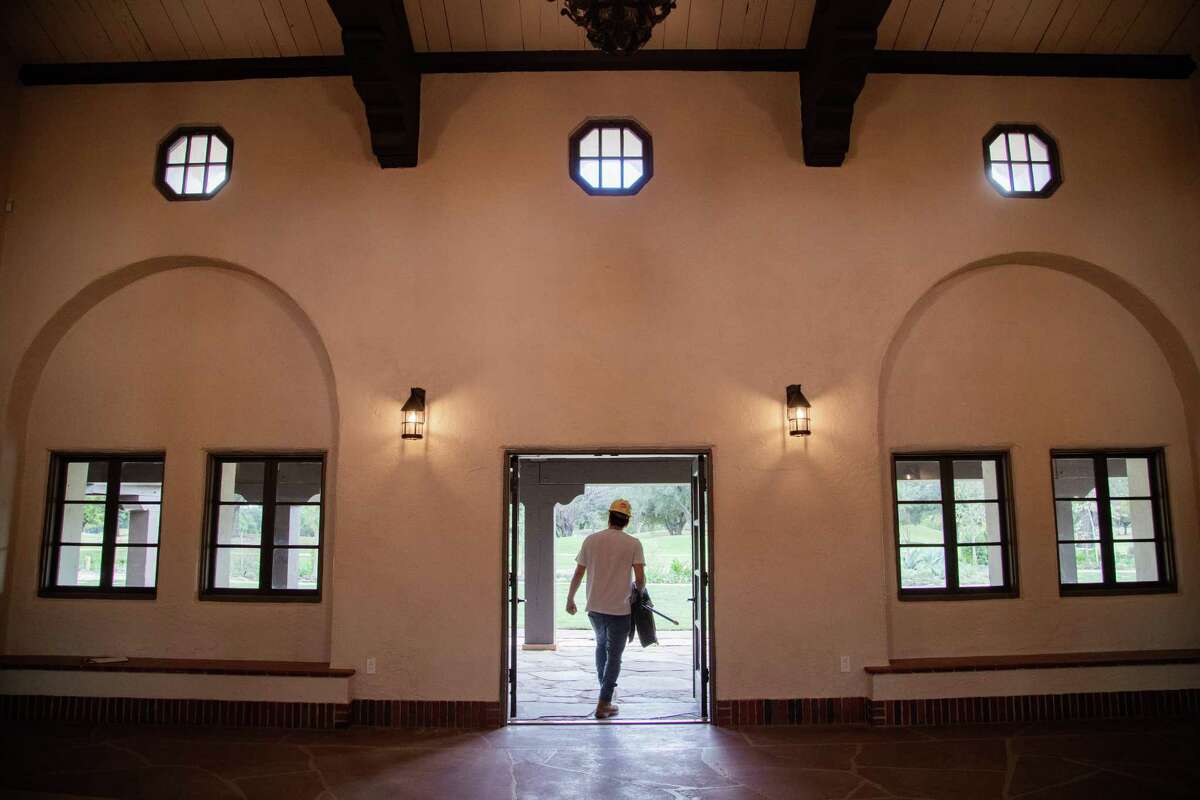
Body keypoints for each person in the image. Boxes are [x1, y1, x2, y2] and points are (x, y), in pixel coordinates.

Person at [565, 498, 646, 719]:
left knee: (601, 646)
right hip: (620, 609)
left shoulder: (591, 541)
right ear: (627, 521)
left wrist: (570, 598)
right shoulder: (633, 543)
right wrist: (638, 591)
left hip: (595, 607)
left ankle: (605, 690)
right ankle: (604, 702)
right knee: (615, 655)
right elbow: (639, 579)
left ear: (609, 517)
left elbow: (579, 573)